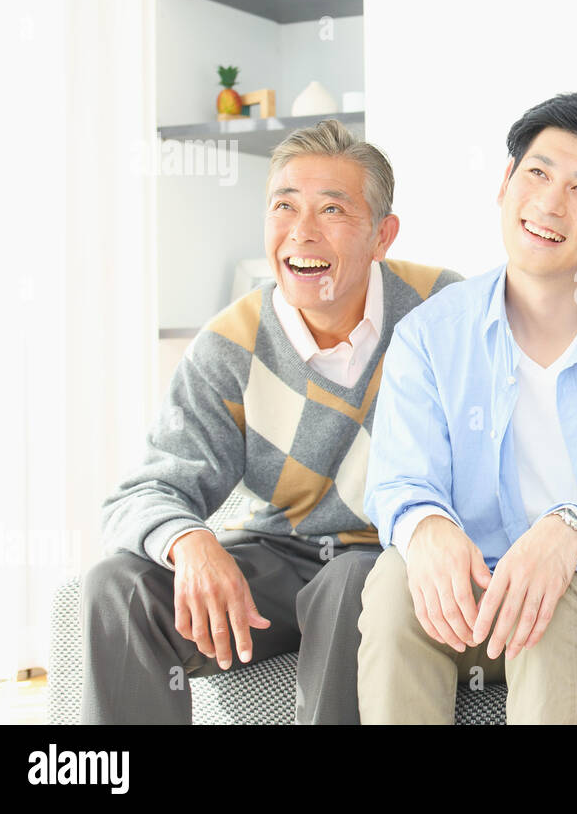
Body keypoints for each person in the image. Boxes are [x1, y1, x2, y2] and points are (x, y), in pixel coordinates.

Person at [82, 118, 463, 724]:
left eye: (332, 209)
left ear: (381, 235)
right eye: (283, 206)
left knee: (352, 586)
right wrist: (191, 540)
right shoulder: (228, 345)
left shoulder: (443, 308)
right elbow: (149, 489)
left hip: (388, 555)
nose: (301, 232)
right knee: (120, 584)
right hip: (280, 555)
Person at [357, 89, 577, 724]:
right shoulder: (430, 333)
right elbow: (399, 479)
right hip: (474, 588)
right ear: (505, 183)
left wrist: (566, 529)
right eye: (537, 173)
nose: (549, 204)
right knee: (392, 581)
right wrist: (427, 528)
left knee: (553, 592)